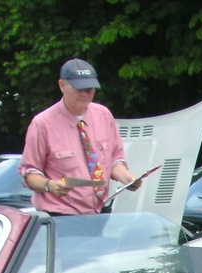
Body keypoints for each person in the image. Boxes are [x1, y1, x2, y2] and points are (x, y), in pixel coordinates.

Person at [21, 59, 139, 215]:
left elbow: (114, 161)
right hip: (61, 216)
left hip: (100, 212)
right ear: (62, 85)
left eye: (89, 89)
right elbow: (29, 173)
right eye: (78, 88)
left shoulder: (103, 115)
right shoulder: (42, 124)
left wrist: (128, 178)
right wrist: (50, 185)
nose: (84, 94)